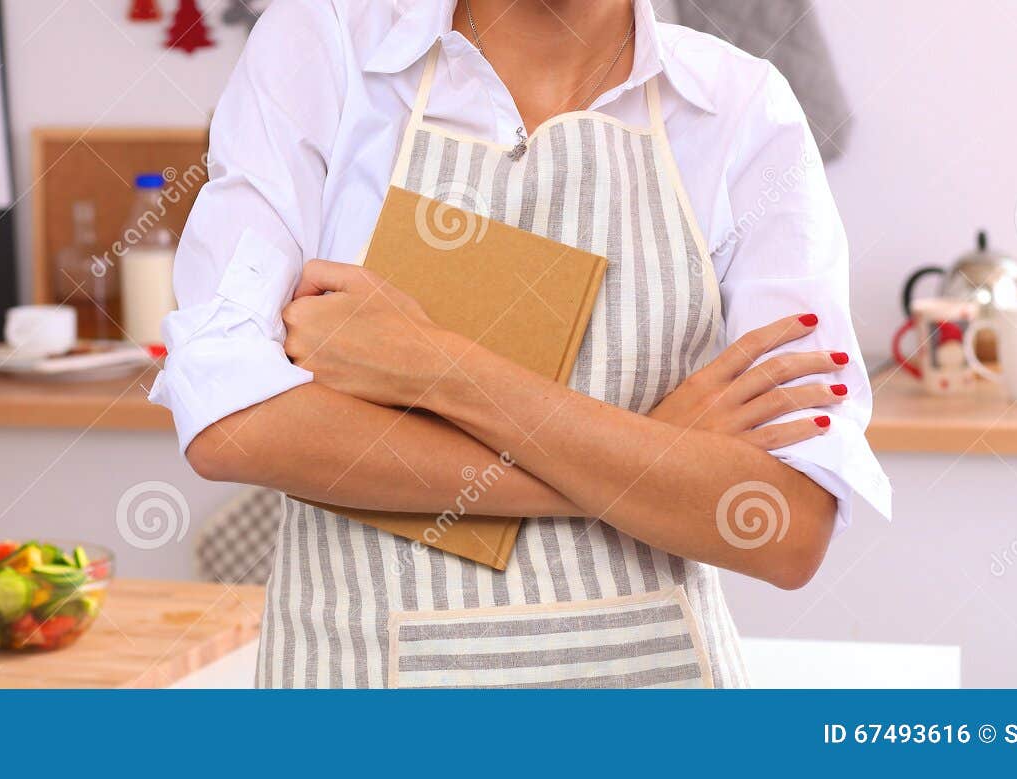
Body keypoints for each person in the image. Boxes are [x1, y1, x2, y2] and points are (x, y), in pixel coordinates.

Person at [148, 0, 891, 688]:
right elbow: (231, 425)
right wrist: (651, 455)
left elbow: (784, 527)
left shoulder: (741, 109)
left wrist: (434, 365)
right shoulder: (328, 43)